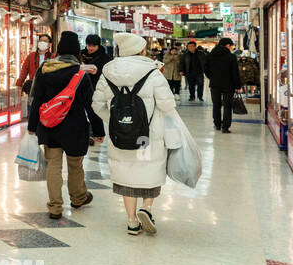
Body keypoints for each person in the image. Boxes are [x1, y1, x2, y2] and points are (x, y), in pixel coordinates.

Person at [92, 32, 181, 236]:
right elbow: (167, 105)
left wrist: (117, 122)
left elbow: (97, 106)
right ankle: (146, 209)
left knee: (126, 176)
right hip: (146, 137)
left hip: (119, 137)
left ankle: (132, 221)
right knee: (148, 171)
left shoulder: (107, 73)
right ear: (141, 50)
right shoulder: (153, 72)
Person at [28, 32, 105, 219]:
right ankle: (78, 198)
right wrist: (98, 130)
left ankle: (55, 206)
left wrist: (32, 126)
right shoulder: (80, 74)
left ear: (58, 50)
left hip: (50, 126)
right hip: (75, 127)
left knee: (53, 165)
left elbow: (36, 100)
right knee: (75, 165)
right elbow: (91, 105)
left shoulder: (44, 70)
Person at [205, 36, 242, 133]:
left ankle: (217, 124)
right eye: (231, 46)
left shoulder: (210, 55)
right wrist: (238, 86)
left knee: (216, 105)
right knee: (227, 106)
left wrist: (212, 77)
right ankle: (225, 127)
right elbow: (235, 72)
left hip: (214, 84)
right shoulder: (231, 56)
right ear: (227, 45)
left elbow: (206, 69)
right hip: (228, 85)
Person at [16, 32, 52, 101]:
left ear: (49, 44)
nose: (42, 43)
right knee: (32, 108)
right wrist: (19, 85)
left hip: (47, 91)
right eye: (41, 41)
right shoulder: (31, 56)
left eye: (45, 41)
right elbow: (24, 71)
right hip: (33, 89)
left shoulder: (53, 57)